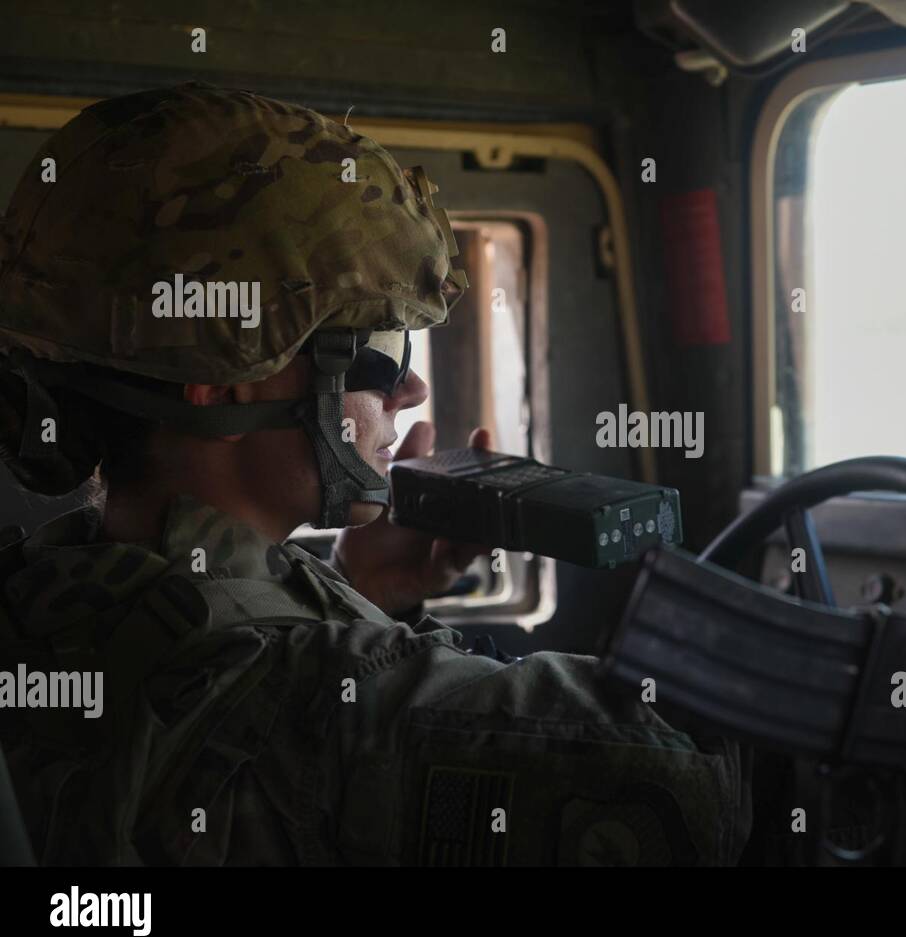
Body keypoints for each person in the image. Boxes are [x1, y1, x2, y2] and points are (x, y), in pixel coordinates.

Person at [0, 83, 750, 865]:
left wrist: (363, 592)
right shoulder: (334, 709)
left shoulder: (50, 598)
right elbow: (717, 782)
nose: (411, 390)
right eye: (382, 351)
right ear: (231, 375)